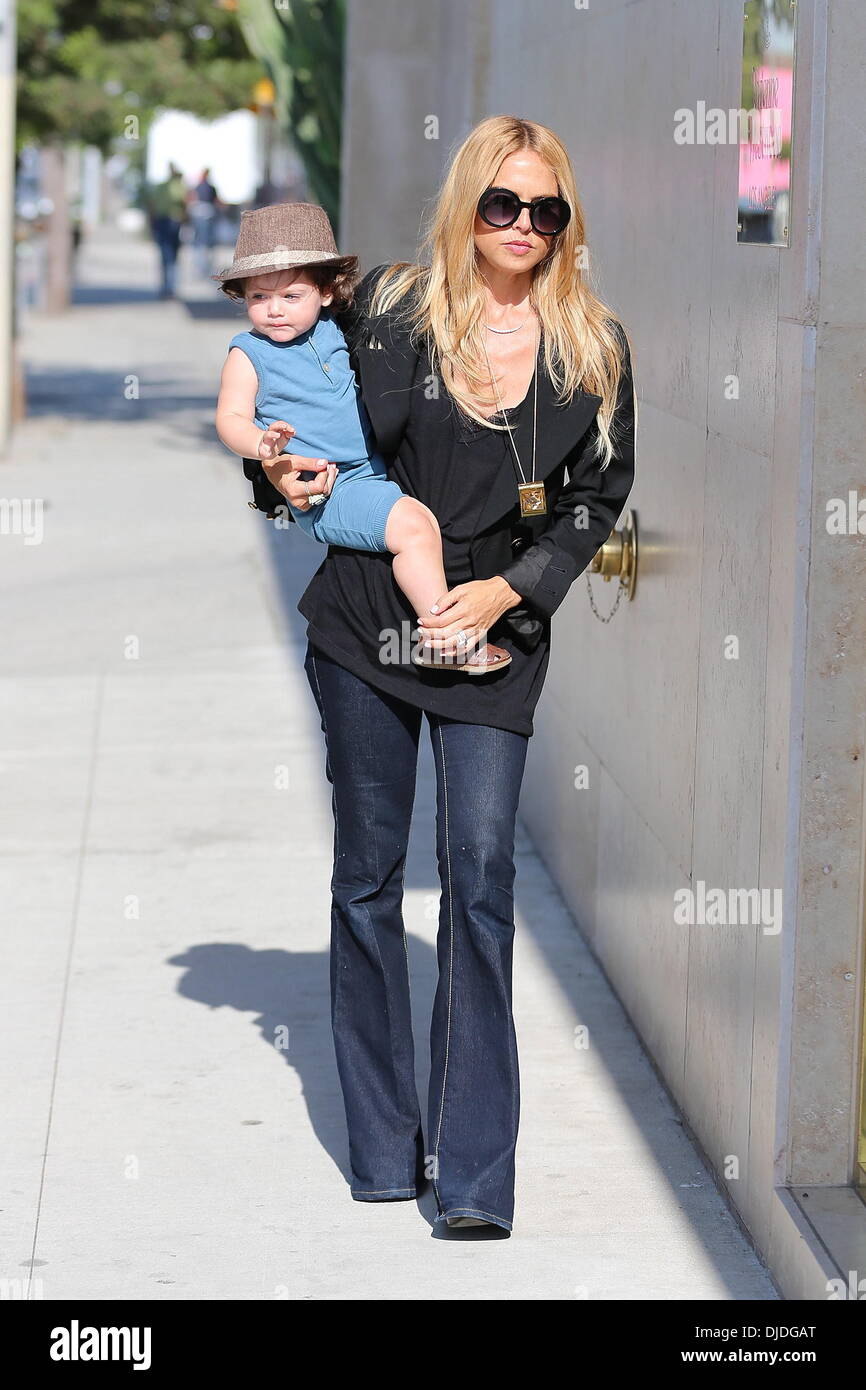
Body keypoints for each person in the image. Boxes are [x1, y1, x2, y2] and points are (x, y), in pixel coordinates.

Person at [259, 115, 637, 1234]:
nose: (521, 227)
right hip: (369, 623)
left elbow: (595, 500)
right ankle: (382, 1147)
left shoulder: (592, 343)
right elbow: (299, 423)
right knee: (368, 879)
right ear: (467, 203)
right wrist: (279, 467)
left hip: (491, 643)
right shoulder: (383, 311)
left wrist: (512, 589)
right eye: (500, 204)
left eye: (544, 211)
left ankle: (471, 1177)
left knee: (476, 879)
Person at [215, 201, 510, 673]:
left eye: (290, 296)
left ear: (327, 292)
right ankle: (444, 638)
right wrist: (262, 447)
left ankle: (440, 629)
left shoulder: (338, 329)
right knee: (414, 530)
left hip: (371, 473)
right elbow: (230, 417)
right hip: (329, 487)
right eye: (257, 298)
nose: (273, 311)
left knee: (423, 526)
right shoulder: (249, 353)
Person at [146, 163, 187, 298]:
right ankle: (170, 286)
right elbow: (184, 202)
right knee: (171, 256)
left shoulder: (160, 187)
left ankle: (166, 286)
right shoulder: (178, 186)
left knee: (165, 255)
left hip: (162, 221)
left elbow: (152, 205)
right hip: (172, 221)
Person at [189, 168, 219, 278]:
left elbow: (192, 199)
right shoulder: (210, 187)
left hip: (200, 213)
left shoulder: (198, 187)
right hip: (208, 213)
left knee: (200, 240)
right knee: (206, 241)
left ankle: (201, 264)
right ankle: (204, 264)